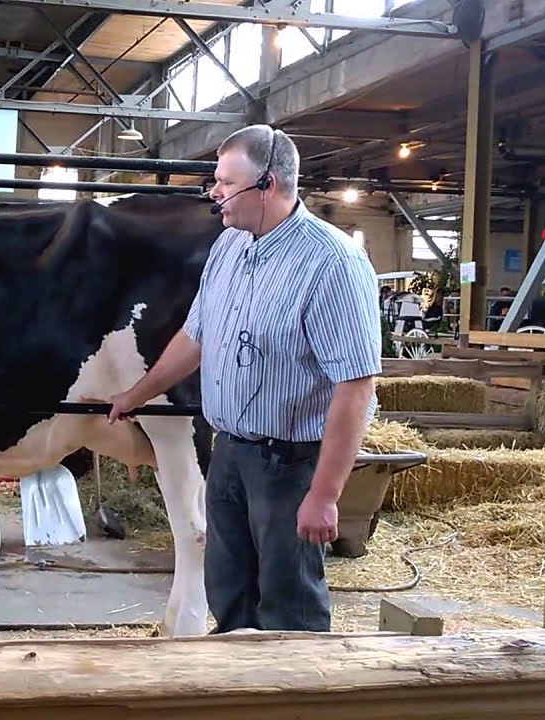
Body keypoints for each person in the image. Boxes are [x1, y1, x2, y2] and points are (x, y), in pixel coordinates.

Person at [107, 125, 382, 633]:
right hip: (229, 452)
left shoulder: (332, 263)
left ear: (268, 185)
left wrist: (324, 494)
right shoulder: (229, 247)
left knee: (288, 602)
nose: (214, 193)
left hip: (288, 464)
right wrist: (137, 395)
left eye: (224, 183)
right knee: (228, 586)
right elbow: (195, 337)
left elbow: (355, 386)